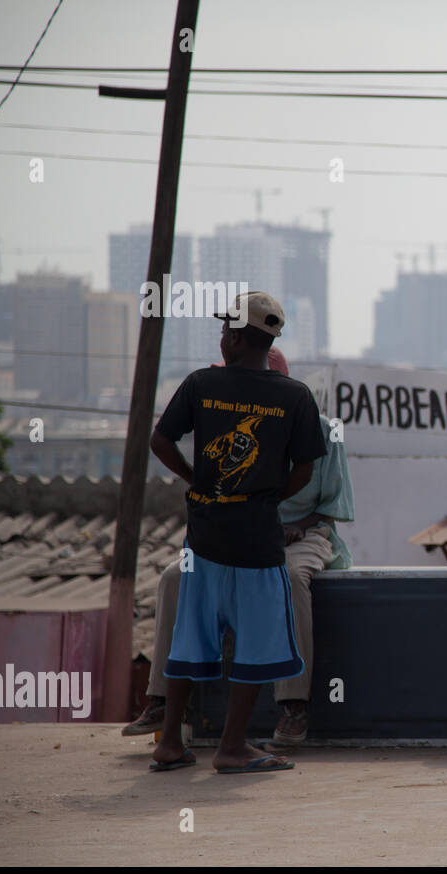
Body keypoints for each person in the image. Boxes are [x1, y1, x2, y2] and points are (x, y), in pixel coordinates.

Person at [123, 347, 355, 747]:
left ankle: (293, 705)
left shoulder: (318, 426)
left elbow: (330, 508)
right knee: (174, 578)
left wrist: (286, 525)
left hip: (298, 535)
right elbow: (165, 445)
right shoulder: (222, 424)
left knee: (293, 579)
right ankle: (162, 701)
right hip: (233, 535)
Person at [146, 291, 327, 773]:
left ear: (241, 336)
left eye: (226, 329)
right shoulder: (295, 396)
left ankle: (169, 744)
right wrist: (265, 497)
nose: (222, 336)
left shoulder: (201, 383)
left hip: (202, 538)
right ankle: (232, 748)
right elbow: (305, 470)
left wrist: (197, 481)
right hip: (257, 541)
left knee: (189, 638)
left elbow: (160, 441)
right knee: (256, 642)